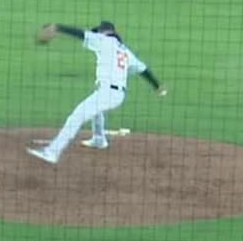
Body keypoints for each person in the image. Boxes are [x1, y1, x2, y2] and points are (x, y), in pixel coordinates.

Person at [27, 20, 166, 165]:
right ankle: (99, 139)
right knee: (97, 108)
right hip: (115, 94)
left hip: (109, 93)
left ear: (103, 32)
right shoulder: (125, 51)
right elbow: (144, 70)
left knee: (77, 116)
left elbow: (80, 33)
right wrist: (158, 86)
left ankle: (52, 152)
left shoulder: (103, 40)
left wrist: (58, 28)